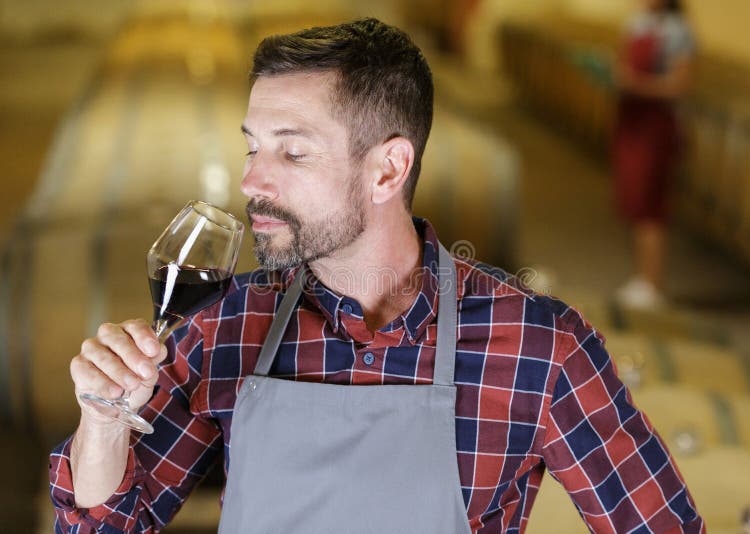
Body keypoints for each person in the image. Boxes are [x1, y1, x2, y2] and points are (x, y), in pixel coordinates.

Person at [50, 18, 704, 533]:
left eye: (292, 150)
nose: (250, 180)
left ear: (389, 170)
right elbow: (106, 528)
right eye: (253, 146)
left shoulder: (539, 346)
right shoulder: (229, 325)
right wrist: (103, 424)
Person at [612, 0, 696, 310]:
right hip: (632, 120)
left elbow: (681, 84)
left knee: (652, 203)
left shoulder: (679, 31)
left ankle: (653, 282)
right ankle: (641, 276)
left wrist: (637, 85)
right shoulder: (637, 23)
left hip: (656, 124)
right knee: (634, 200)